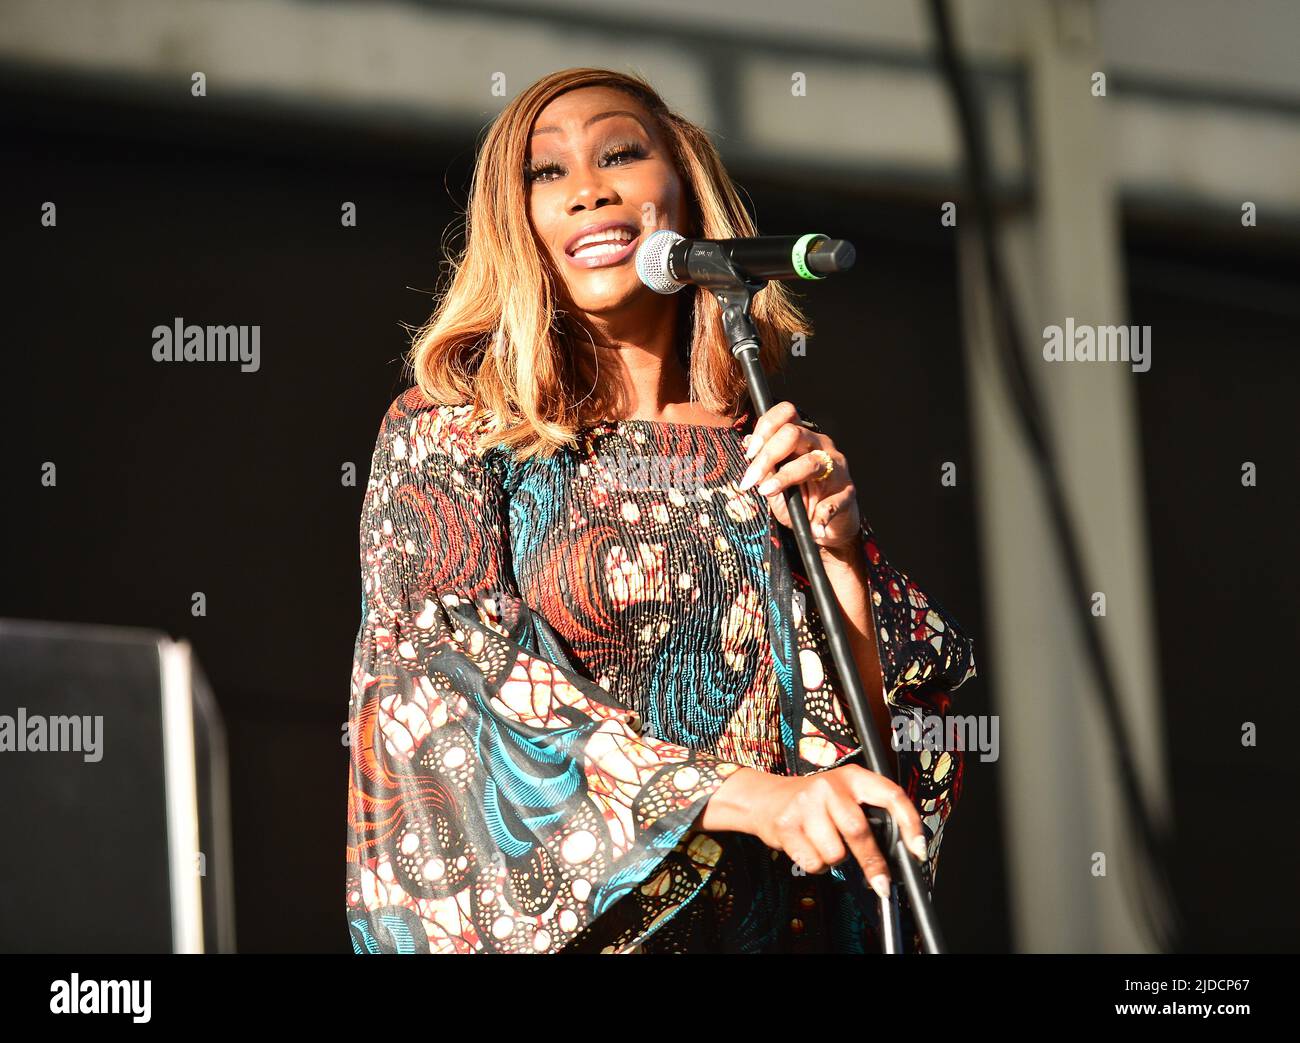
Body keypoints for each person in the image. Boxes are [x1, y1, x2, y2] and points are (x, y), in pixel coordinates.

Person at [345, 67, 976, 954]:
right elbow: (442, 681)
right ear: (513, 223)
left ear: (682, 192)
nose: (589, 187)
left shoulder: (765, 450)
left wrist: (836, 555)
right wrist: (749, 799)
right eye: (547, 172)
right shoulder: (457, 432)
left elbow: (869, 769)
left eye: (619, 154)